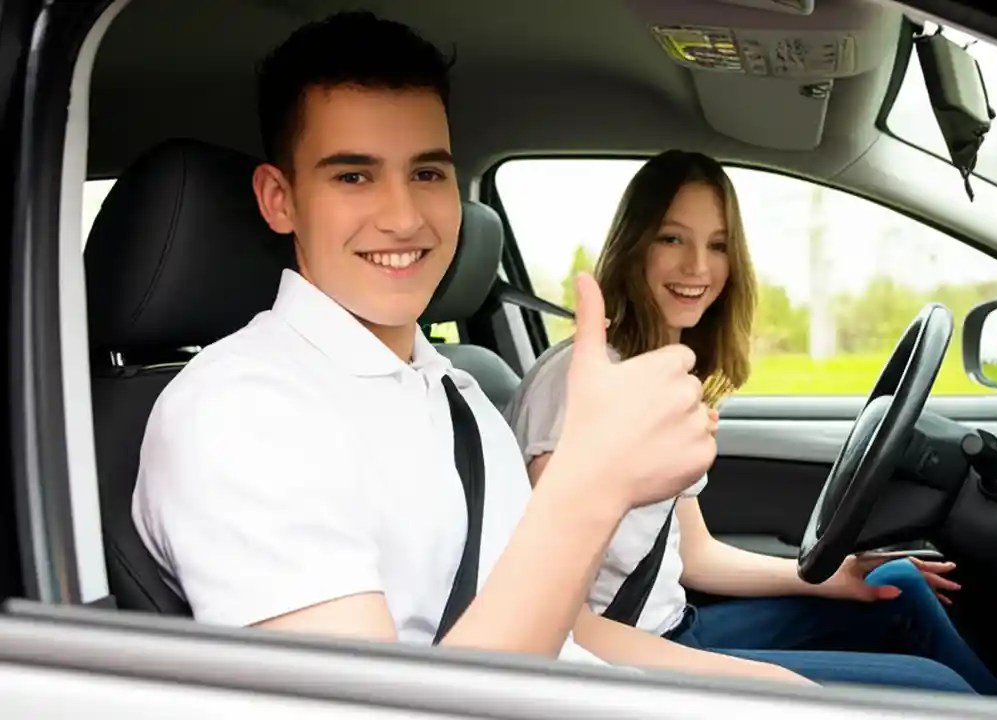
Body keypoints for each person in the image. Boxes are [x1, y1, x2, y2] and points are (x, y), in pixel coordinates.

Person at [131, 10, 878, 688]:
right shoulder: (236, 411)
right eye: (354, 175)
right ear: (279, 199)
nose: (404, 216)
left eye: (427, 173)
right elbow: (381, 709)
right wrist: (592, 485)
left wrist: (769, 691)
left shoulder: (451, 393)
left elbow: (568, 629)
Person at [505, 150, 997, 695]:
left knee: (899, 584)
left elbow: (692, 555)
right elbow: (556, 624)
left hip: (676, 627)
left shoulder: (658, 375)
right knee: (937, 690)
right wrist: (765, 681)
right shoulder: (578, 387)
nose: (698, 267)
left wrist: (824, 577)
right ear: (635, 245)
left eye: (717, 245)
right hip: (617, 663)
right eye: (673, 238)